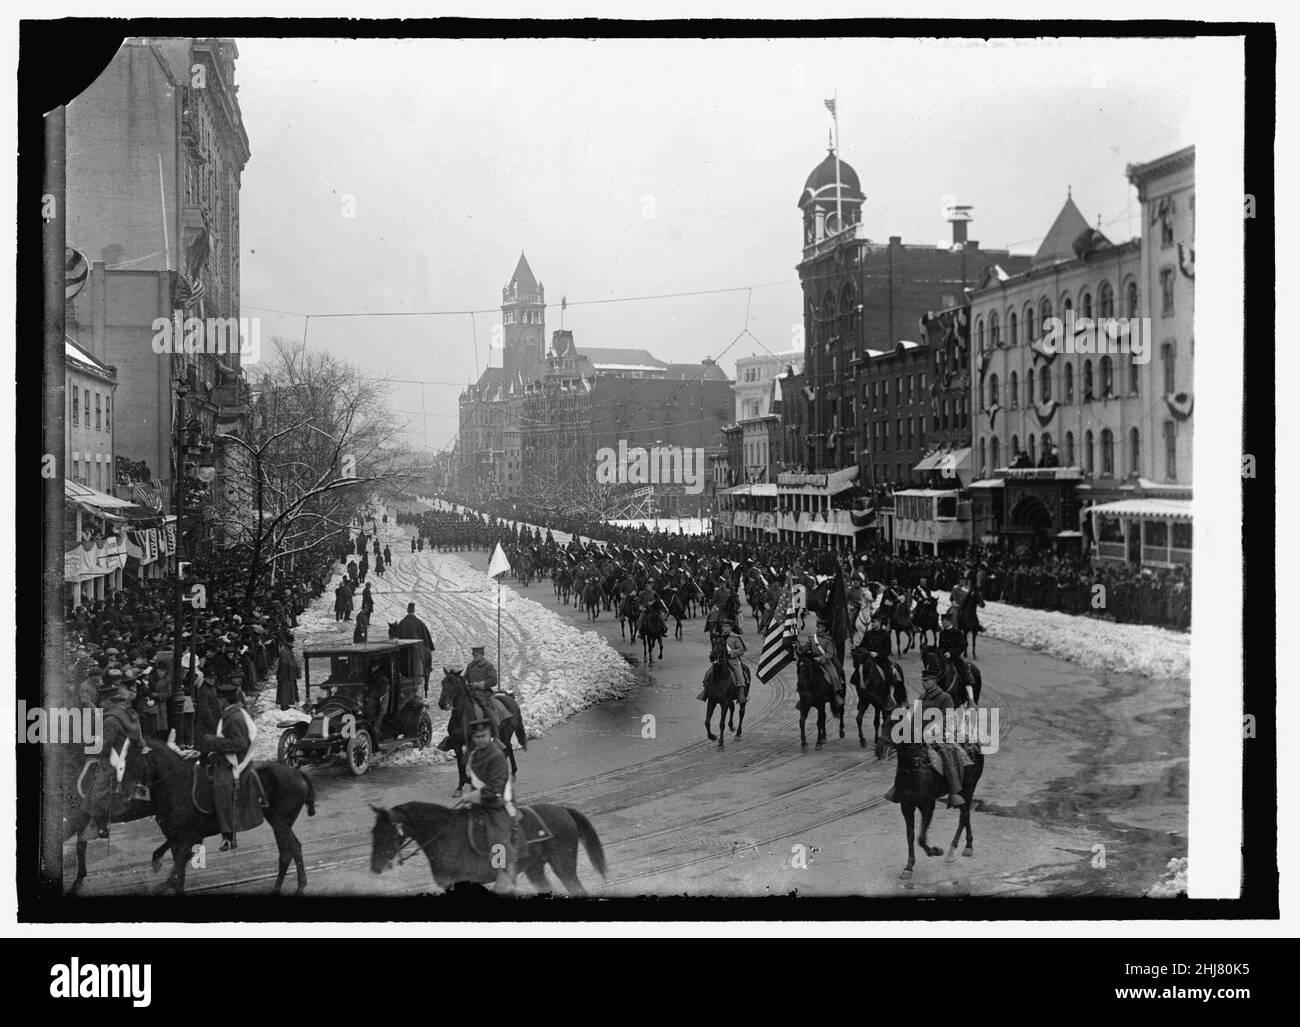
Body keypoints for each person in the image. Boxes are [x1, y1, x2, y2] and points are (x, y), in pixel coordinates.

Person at [78, 669, 145, 842]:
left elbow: (104, 746)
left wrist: (91, 749)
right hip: (131, 755)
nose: (101, 705)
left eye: (102, 701)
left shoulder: (110, 720)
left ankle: (100, 825)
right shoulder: (126, 712)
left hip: (115, 760)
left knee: (98, 789)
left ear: (108, 700)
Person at [460, 716, 519, 894]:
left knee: (497, 837)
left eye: (484, 736)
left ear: (490, 735)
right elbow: (473, 780)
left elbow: (494, 788)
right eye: (477, 737)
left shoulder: (497, 755)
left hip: (498, 802)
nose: (480, 740)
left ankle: (504, 875)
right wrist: (469, 797)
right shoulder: (474, 755)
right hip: (479, 802)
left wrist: (471, 796)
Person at [208, 683, 256, 852]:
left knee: (221, 787)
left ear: (223, 699)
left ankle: (228, 835)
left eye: (219, 698)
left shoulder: (235, 717)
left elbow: (240, 744)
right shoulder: (231, 713)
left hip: (235, 761)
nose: (218, 701)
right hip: (225, 756)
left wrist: (215, 743)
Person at [463, 645, 506, 738]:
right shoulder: (470, 666)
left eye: (476, 655)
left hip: (484, 695)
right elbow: (465, 677)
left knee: (489, 712)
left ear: (482, 655)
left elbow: (494, 680)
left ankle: (496, 736)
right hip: (471, 694)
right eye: (473, 655)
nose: (474, 656)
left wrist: (479, 684)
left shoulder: (488, 666)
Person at [393, 602, 435, 690]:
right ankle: (427, 671)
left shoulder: (402, 623)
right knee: (427, 654)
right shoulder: (420, 623)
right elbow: (427, 640)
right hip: (417, 651)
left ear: (407, 611)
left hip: (404, 651)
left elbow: (396, 638)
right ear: (414, 611)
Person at [937, 611, 975, 699]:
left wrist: (951, 653)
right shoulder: (942, 633)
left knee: (965, 677)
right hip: (943, 659)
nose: (942, 623)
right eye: (941, 621)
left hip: (955, 659)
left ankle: (971, 699)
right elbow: (941, 647)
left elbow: (963, 645)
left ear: (948, 621)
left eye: (943, 621)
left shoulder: (957, 632)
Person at [276, 634, 301, 710]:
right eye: (291, 642)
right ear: (287, 641)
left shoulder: (288, 650)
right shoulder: (284, 651)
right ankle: (284, 706)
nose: (292, 644)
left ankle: (287, 705)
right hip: (285, 675)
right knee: (285, 691)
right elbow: (285, 664)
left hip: (289, 674)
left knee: (289, 691)